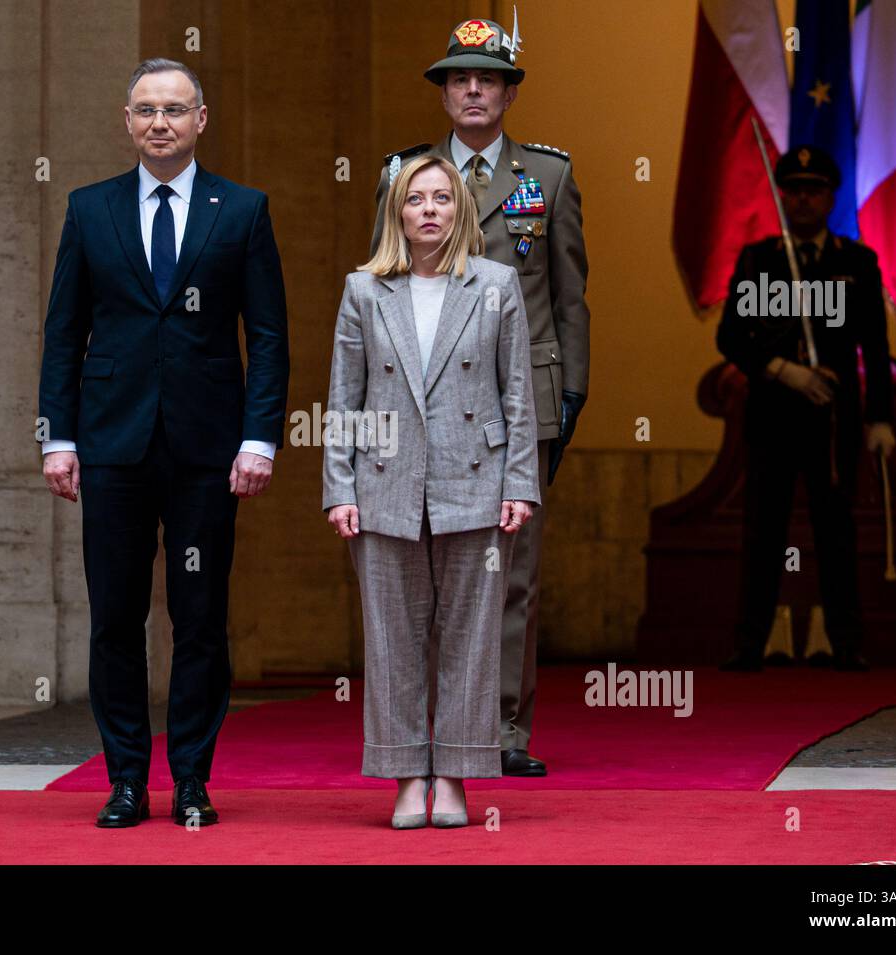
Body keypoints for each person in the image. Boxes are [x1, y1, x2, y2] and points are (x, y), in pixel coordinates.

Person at [38, 58, 290, 827]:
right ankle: (122, 781)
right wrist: (58, 437)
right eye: (146, 109)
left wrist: (260, 439)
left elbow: (270, 336)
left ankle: (190, 780)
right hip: (111, 446)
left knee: (200, 616)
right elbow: (62, 335)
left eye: (175, 110)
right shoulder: (89, 209)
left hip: (207, 450)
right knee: (115, 617)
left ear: (200, 120)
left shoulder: (241, 210)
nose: (159, 122)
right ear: (127, 120)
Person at [370, 17, 591, 776]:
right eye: (459, 78)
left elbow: (569, 296)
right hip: (420, 400)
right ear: (443, 93)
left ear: (507, 90)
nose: (471, 89)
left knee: (509, 569)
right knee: (417, 567)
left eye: (486, 78)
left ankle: (500, 730)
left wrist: (572, 389)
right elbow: (381, 287)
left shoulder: (548, 177)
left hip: (516, 400)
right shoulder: (405, 174)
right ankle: (426, 727)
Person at [324, 154, 539, 828]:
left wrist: (521, 481)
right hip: (385, 484)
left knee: (473, 638)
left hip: (474, 479)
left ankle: (455, 775)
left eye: (443, 198)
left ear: (461, 210)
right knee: (392, 640)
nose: (430, 210)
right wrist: (339, 486)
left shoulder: (497, 283)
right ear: (397, 211)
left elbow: (518, 394)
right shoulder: (364, 289)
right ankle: (406, 776)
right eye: (416, 199)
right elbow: (345, 397)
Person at [716, 145, 894, 672]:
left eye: (813, 189)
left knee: (835, 529)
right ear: (782, 196)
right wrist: (782, 369)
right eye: (792, 189)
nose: (802, 199)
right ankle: (749, 645)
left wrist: (881, 418)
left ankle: (845, 643)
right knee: (763, 529)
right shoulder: (760, 260)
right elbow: (731, 337)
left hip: (833, 418)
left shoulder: (857, 263)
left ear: (830, 197)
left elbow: (877, 347)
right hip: (773, 414)